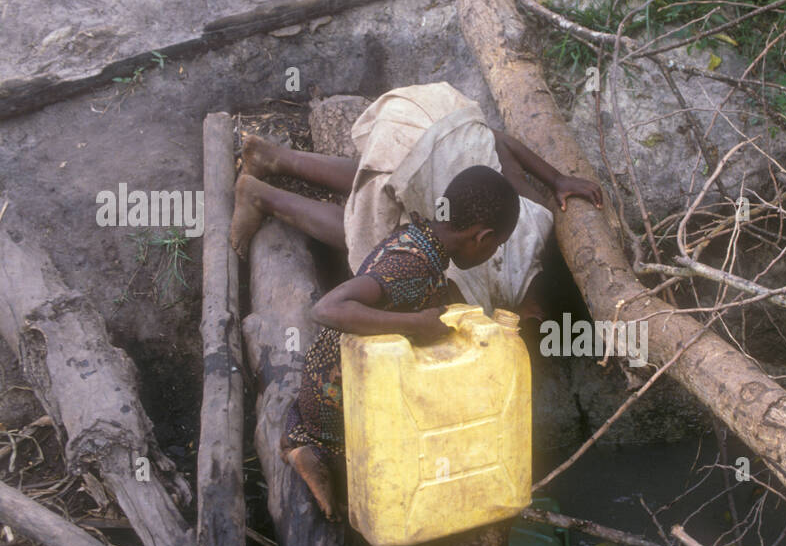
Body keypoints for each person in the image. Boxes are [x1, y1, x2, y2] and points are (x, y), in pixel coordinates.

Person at [229, 82, 602, 325]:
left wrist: (557, 180)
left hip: (434, 112)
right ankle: (261, 195)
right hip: (415, 137)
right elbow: (330, 310)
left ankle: (271, 157)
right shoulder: (475, 288)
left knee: (389, 180)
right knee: (372, 230)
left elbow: (499, 142)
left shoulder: (535, 215)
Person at [271, 165, 521, 521]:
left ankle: (305, 445)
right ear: (482, 237)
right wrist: (416, 324)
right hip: (336, 397)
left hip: (319, 386)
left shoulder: (421, 240)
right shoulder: (412, 265)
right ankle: (315, 456)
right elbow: (327, 309)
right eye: (496, 247)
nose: (492, 254)